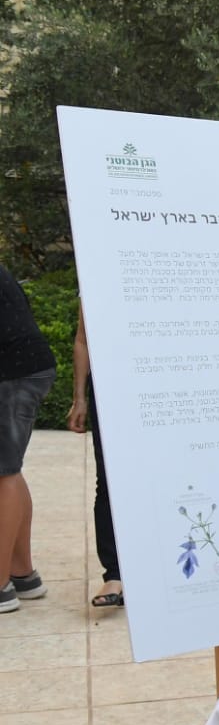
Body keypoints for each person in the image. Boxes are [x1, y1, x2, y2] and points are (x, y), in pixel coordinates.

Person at [0, 263, 55, 615]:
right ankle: (23, 574)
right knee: (10, 470)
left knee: (3, 473)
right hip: (25, 369)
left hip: (14, 373)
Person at [66, 314, 121, 607]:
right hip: (109, 390)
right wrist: (80, 398)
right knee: (109, 479)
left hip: (162, 382)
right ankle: (114, 573)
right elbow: (83, 339)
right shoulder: (94, 269)